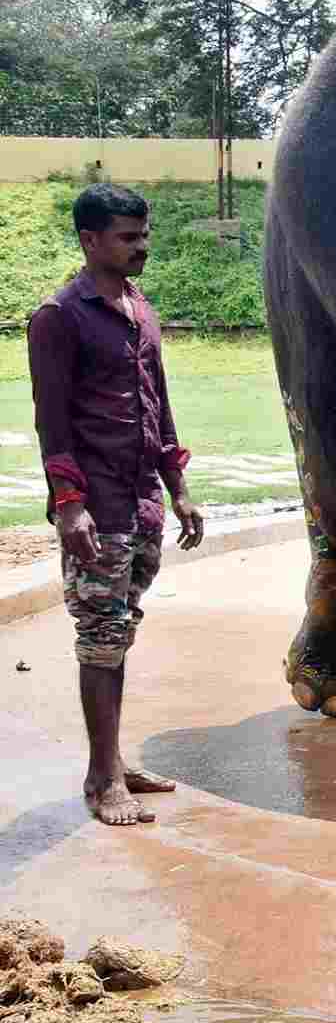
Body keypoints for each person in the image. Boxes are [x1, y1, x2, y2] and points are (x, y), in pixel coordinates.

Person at [29, 183, 205, 826]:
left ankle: (112, 760)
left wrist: (178, 487)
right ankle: (104, 779)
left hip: (142, 503)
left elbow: (159, 405)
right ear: (90, 240)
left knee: (120, 628)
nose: (142, 247)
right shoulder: (59, 317)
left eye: (144, 234)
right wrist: (69, 504)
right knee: (100, 635)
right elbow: (51, 423)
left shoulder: (141, 310)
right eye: (128, 237)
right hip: (96, 506)